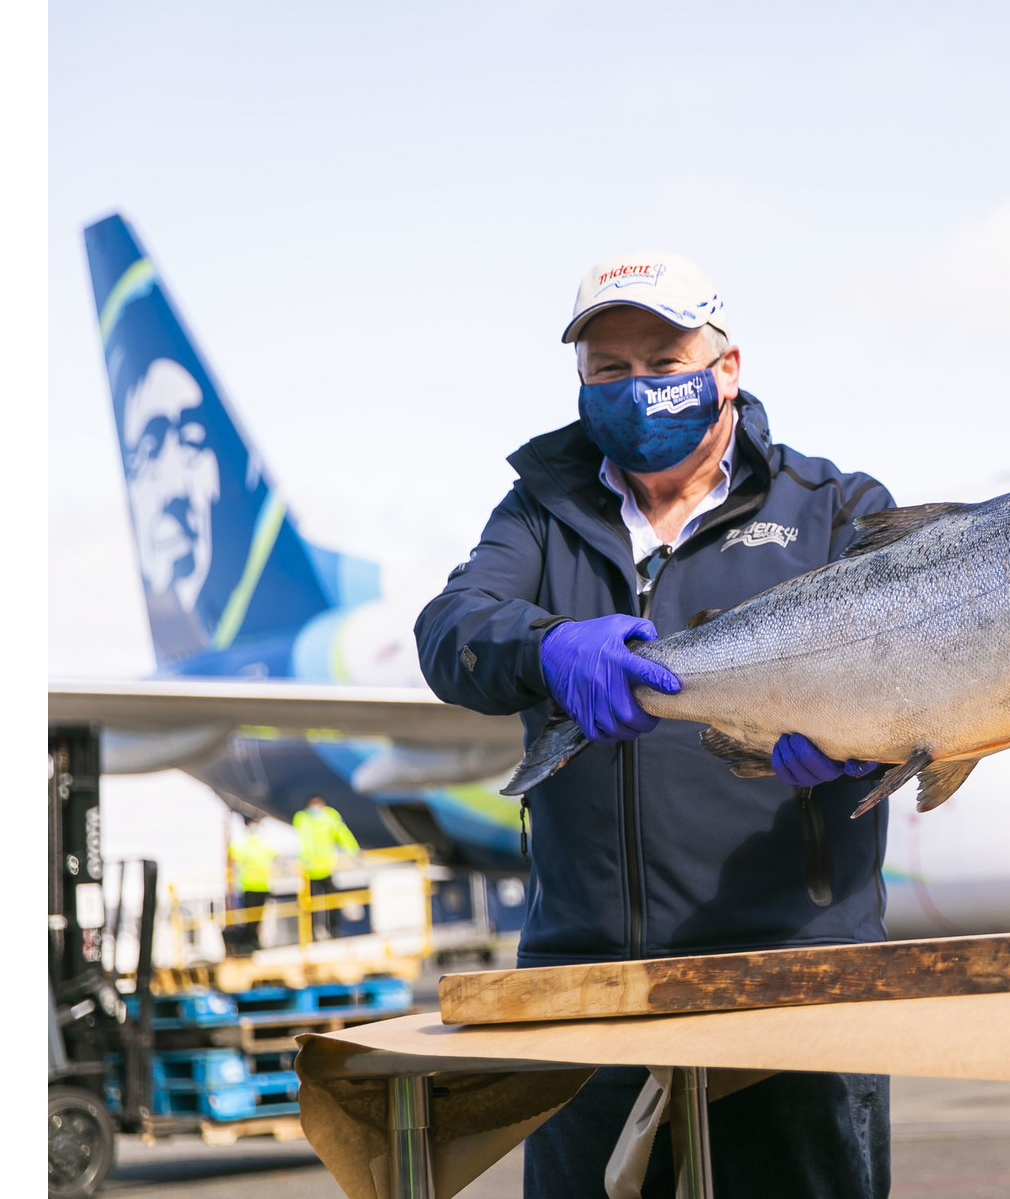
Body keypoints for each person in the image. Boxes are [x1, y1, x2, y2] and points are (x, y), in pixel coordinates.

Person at [416, 252, 895, 1198]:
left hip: (792, 983)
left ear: (727, 367)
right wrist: (550, 646)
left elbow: (913, 672)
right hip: (585, 996)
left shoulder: (835, 511)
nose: (638, 388)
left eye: (664, 358)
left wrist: (858, 747)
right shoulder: (540, 515)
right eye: (609, 369)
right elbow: (451, 631)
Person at [292, 795, 360, 940]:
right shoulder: (303, 819)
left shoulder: (330, 817)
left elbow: (342, 833)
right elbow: (302, 841)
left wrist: (353, 850)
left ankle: (333, 929)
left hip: (327, 867)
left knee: (332, 901)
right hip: (309, 870)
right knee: (310, 904)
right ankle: (310, 933)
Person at [224, 815, 276, 957]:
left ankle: (253, 941)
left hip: (263, 885)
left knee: (258, 917)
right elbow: (231, 855)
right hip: (249, 885)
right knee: (250, 917)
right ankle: (247, 942)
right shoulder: (244, 844)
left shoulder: (263, 843)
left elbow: (275, 855)